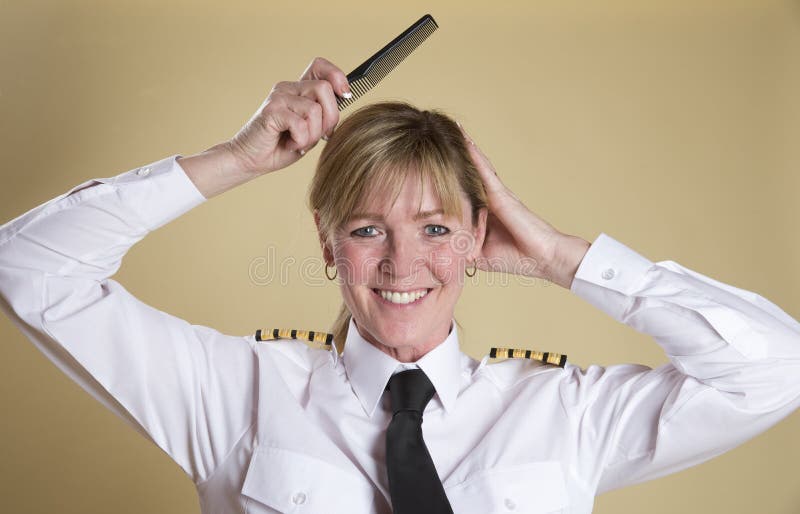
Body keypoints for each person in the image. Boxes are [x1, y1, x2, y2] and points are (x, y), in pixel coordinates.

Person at [0, 56, 798, 514]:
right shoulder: (232, 391)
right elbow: (29, 269)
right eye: (367, 229)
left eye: (436, 228)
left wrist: (561, 257)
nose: (402, 265)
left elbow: (776, 370)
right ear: (327, 244)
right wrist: (234, 160)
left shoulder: (564, 413)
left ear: (477, 239)